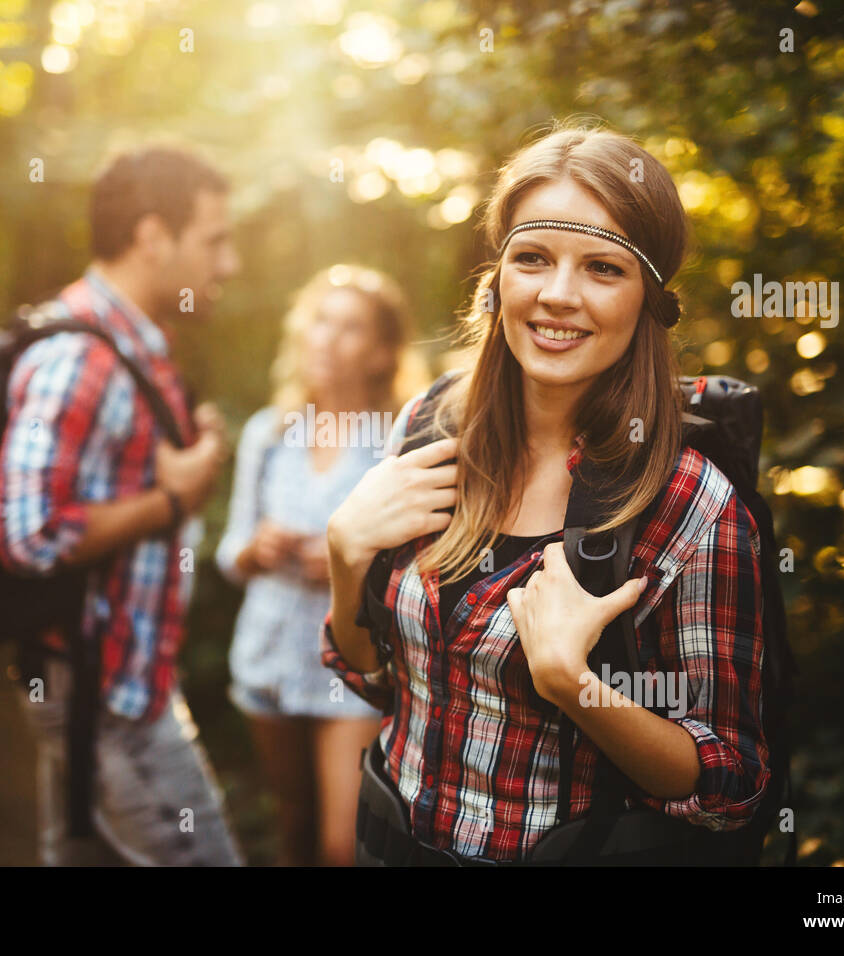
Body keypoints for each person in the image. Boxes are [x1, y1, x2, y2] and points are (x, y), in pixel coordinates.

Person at [322, 121, 771, 864]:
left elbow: (731, 788)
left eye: (602, 268)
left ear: (651, 299)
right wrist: (344, 557)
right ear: (497, 276)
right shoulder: (430, 431)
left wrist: (574, 687)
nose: (558, 296)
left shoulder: (690, 503)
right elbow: (378, 685)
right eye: (532, 258)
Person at [0, 145, 246, 866]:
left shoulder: (131, 344)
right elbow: (29, 534)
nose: (226, 266)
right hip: (103, 694)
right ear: (151, 236)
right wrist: (176, 498)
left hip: (105, 679)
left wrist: (180, 462)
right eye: (213, 241)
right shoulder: (82, 355)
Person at [215, 264, 427, 866]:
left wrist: (344, 566)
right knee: (293, 822)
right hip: (268, 655)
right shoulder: (269, 432)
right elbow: (231, 554)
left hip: (353, 669)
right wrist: (257, 550)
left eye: (351, 328)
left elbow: (421, 574)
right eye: (320, 320)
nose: (327, 338)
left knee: (341, 847)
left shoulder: (399, 444)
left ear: (383, 353)